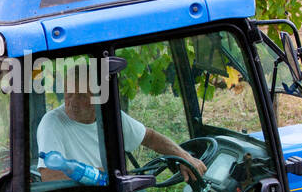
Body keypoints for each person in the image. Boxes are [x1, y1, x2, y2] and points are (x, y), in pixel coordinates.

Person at [36, 65, 207, 184]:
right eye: (68, 93)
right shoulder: (52, 122)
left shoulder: (108, 114)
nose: (72, 102)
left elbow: (150, 137)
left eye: (81, 95)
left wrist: (184, 157)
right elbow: (50, 176)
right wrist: (106, 174)